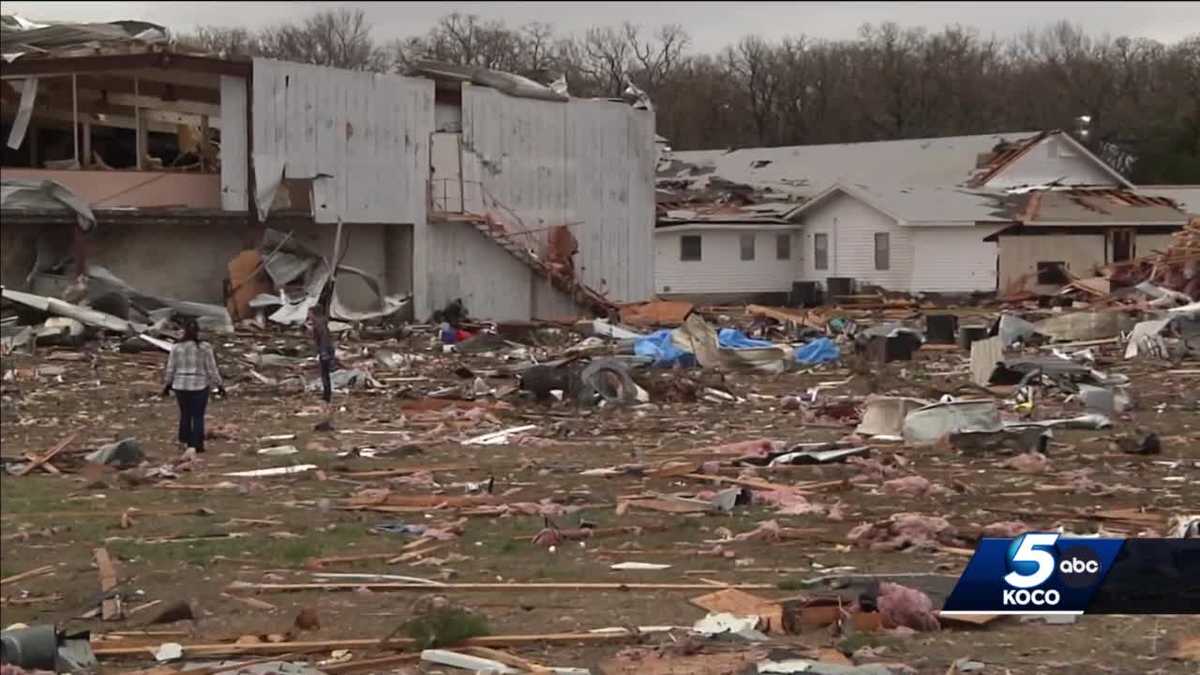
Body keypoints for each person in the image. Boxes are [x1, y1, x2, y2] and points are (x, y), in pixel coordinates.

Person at [161, 318, 225, 453]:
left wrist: (167, 385)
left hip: (180, 385)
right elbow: (211, 368)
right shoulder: (205, 347)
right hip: (199, 385)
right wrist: (220, 385)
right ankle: (197, 444)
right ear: (197, 331)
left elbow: (171, 368)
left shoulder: (176, 347)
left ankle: (184, 442)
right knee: (197, 416)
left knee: (185, 414)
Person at [307, 305, 336, 405]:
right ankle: (326, 396)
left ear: (314, 313)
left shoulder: (320, 325)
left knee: (325, 375)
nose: (308, 315)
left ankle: (326, 397)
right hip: (326, 351)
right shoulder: (319, 323)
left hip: (325, 353)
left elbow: (324, 340)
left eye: (309, 313)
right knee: (325, 375)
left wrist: (323, 353)